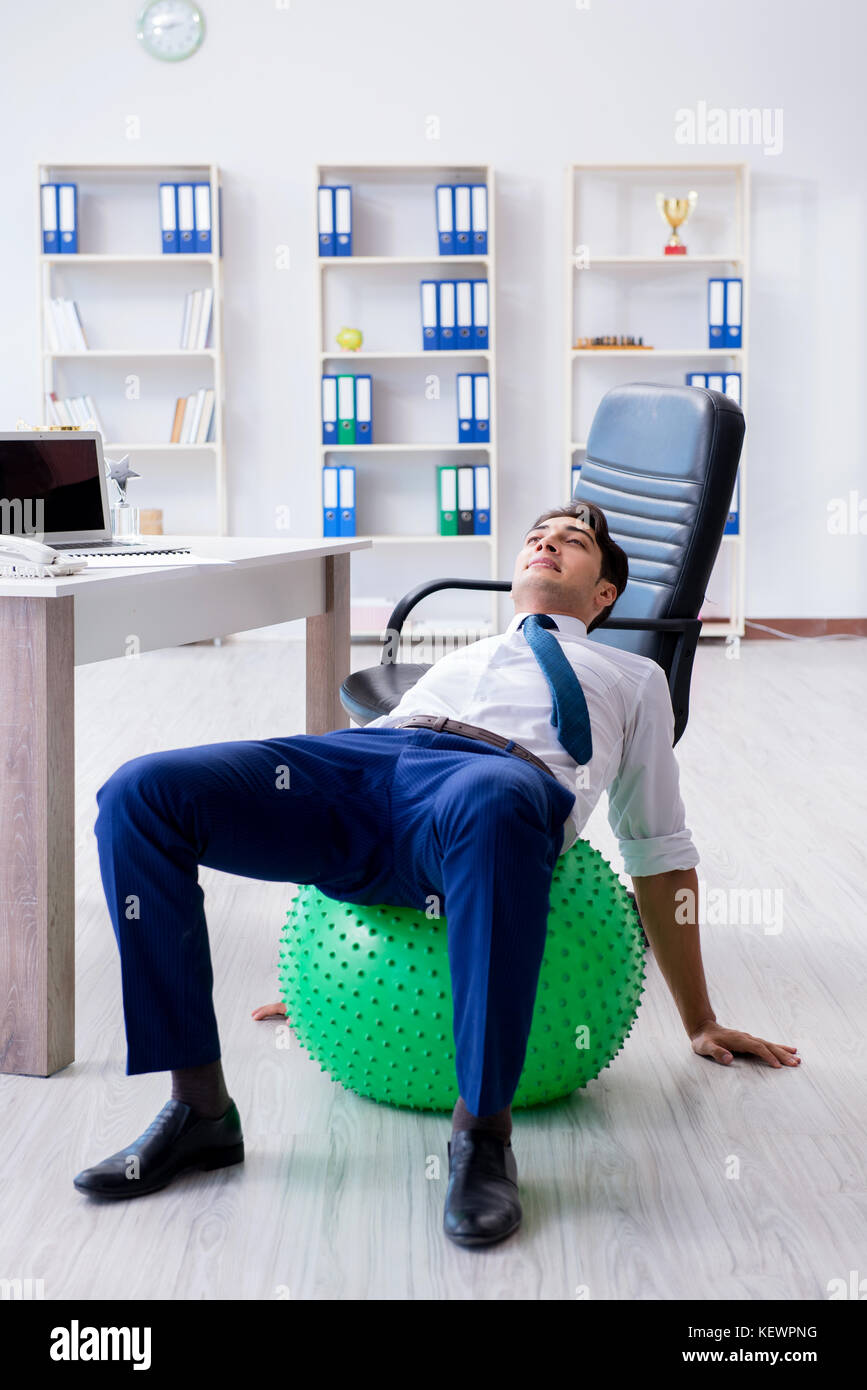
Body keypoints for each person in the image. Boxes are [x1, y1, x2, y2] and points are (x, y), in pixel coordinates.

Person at [74, 500, 800, 1246]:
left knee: (496, 795)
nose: (546, 544)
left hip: (489, 785)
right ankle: (199, 1109)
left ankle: (482, 1134)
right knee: (140, 793)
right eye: (536, 536)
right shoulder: (465, 652)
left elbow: (659, 850)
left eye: (572, 542)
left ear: (604, 593)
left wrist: (700, 1019)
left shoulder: (633, 676)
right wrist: (328, 986)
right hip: (368, 763)